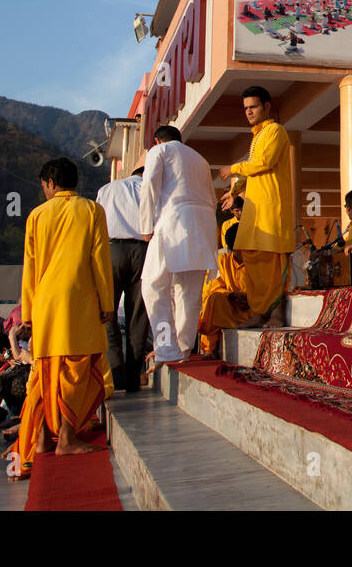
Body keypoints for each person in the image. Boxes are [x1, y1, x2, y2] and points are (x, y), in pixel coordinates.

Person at [13, 157, 113, 478]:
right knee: (76, 369)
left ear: (50, 184)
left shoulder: (36, 216)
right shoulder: (92, 211)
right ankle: (67, 437)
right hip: (79, 300)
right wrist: (107, 302)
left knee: (45, 372)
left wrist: (27, 311)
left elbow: (30, 267)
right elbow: (100, 259)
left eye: (43, 186)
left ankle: (42, 438)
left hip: (44, 303)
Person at [140, 127, 218, 364]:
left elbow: (149, 183)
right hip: (203, 225)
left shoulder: (160, 151)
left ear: (156, 140)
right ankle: (183, 349)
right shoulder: (200, 158)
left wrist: (145, 225)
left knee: (153, 286)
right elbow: (212, 196)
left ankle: (166, 348)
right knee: (189, 292)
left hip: (173, 222)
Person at [219, 87, 294, 328]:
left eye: (253, 107)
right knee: (251, 258)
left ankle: (275, 314)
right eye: (246, 109)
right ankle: (259, 312)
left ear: (267, 107)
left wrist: (234, 169)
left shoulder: (275, 131)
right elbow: (253, 168)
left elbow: (264, 163)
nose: (249, 112)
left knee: (272, 262)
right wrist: (232, 193)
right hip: (254, 208)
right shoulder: (256, 136)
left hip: (272, 206)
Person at [96, 163, 153, 393]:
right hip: (144, 250)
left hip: (112, 250)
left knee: (107, 314)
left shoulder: (108, 189)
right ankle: (133, 374)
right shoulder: (151, 188)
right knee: (138, 315)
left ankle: (116, 372)